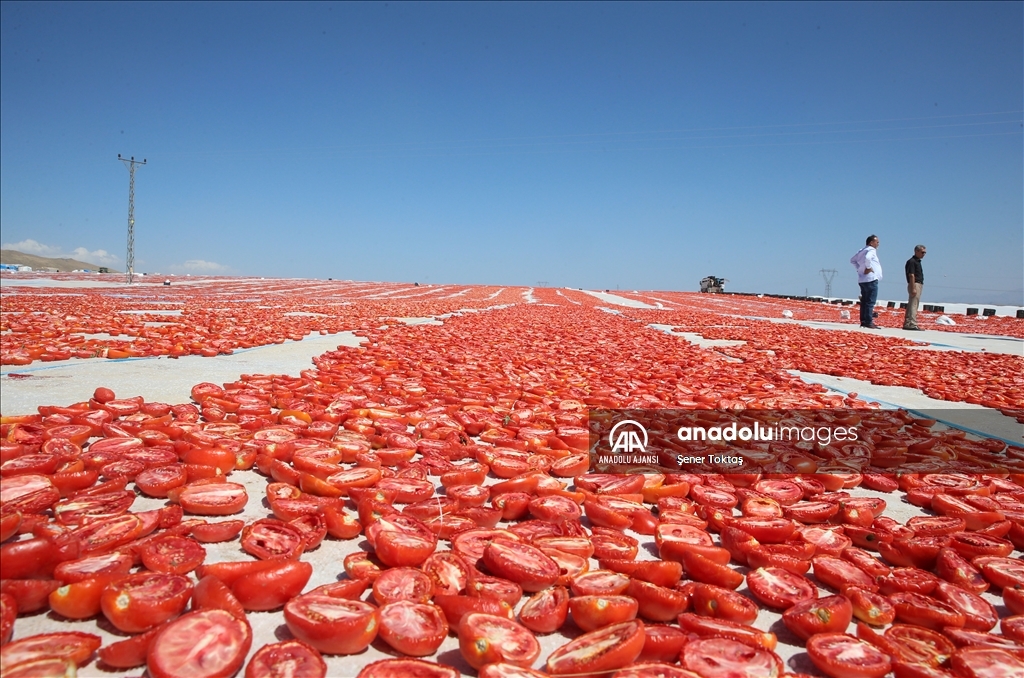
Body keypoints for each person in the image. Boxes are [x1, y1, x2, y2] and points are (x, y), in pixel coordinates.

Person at [850, 235, 882, 328]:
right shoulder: (871, 250)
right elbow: (868, 258)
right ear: (871, 243)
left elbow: (852, 260)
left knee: (864, 301)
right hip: (870, 279)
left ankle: (863, 320)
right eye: (877, 242)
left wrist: (859, 269)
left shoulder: (861, 251)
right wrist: (868, 268)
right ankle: (868, 321)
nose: (878, 244)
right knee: (870, 301)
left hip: (862, 279)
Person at [903, 244, 926, 330]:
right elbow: (911, 275)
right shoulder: (912, 261)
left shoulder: (917, 262)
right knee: (913, 304)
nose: (924, 254)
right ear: (916, 251)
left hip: (918, 283)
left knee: (913, 304)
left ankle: (908, 322)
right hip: (915, 283)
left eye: (925, 253)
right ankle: (911, 323)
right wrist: (913, 287)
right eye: (922, 252)